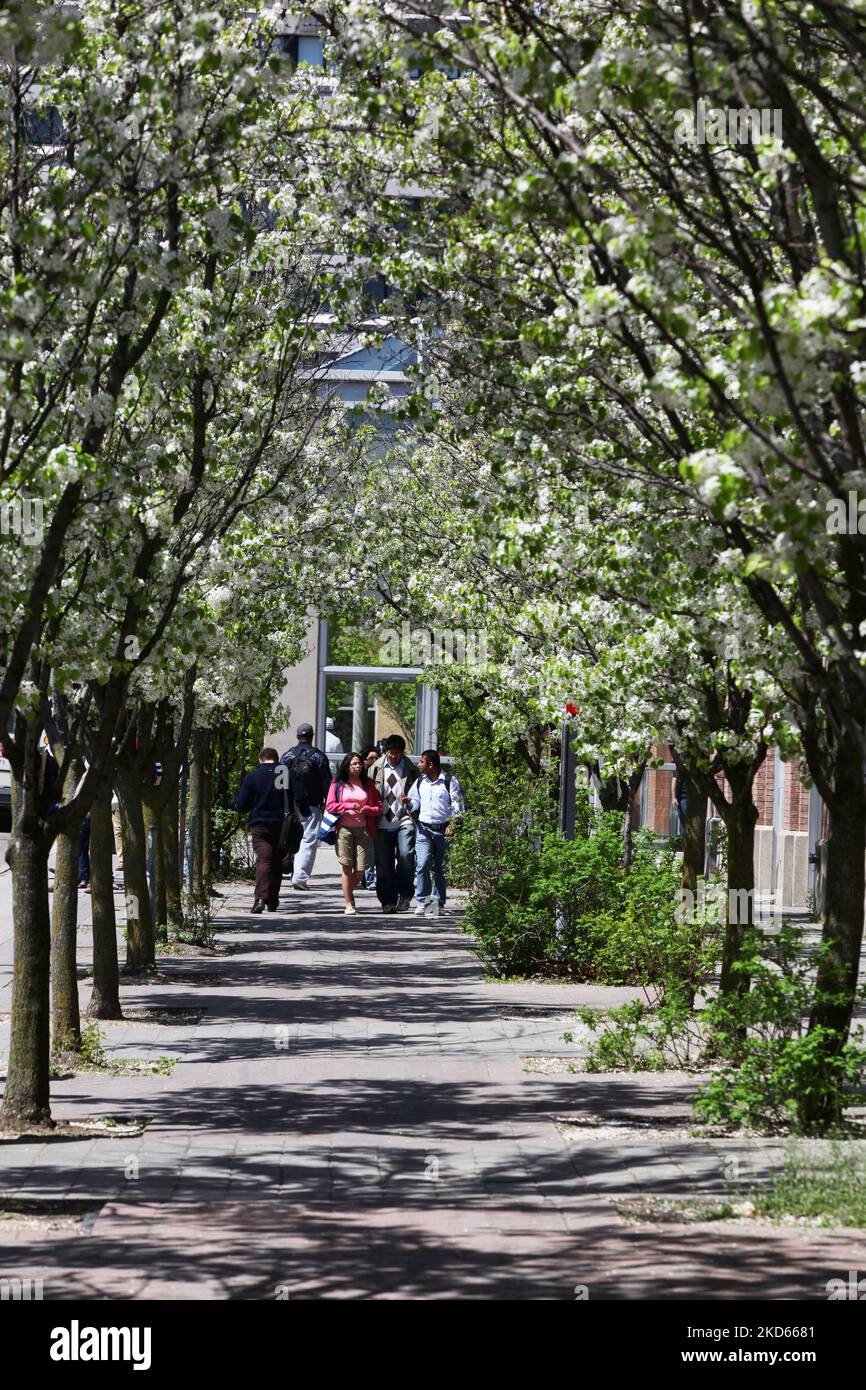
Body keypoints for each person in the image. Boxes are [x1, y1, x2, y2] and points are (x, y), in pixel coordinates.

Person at [406, 750, 463, 917]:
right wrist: (409, 803)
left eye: (422, 762)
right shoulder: (419, 782)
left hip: (443, 830)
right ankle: (422, 902)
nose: (419, 765)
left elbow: (458, 805)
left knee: (440, 868)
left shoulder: (449, 781)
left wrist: (452, 824)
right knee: (422, 864)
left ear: (430, 764)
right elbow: (414, 803)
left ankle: (438, 904)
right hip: (424, 829)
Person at [325, 752, 382, 915]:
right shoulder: (338, 783)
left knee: (361, 869)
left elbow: (378, 807)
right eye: (354, 764)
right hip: (344, 829)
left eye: (359, 764)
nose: (358, 766)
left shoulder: (367, 783)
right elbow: (330, 806)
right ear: (347, 766)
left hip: (363, 829)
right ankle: (348, 903)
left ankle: (347, 891)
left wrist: (367, 809)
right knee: (347, 867)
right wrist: (348, 807)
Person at [233, 747, 287, 913]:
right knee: (277, 860)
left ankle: (260, 899)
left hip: (260, 824)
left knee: (264, 859)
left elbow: (242, 805)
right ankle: (272, 900)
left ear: (260, 759)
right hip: (282, 825)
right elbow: (296, 798)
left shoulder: (252, 777)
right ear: (277, 759)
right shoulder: (285, 775)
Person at [370, 735, 419, 914]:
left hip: (404, 819)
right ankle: (387, 901)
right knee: (384, 865)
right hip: (381, 821)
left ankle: (405, 893)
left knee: (406, 856)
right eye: (391, 753)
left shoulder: (410, 769)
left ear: (402, 753)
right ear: (385, 751)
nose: (393, 757)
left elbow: (418, 793)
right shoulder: (376, 768)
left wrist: (411, 802)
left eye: (397, 754)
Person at [281, 723, 331, 890]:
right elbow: (327, 784)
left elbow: (279, 782)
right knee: (307, 839)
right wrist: (328, 804)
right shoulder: (319, 757)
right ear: (312, 736)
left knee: (287, 837)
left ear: (297, 736)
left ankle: (284, 869)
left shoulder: (286, 756)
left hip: (289, 805)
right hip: (311, 805)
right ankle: (300, 877)